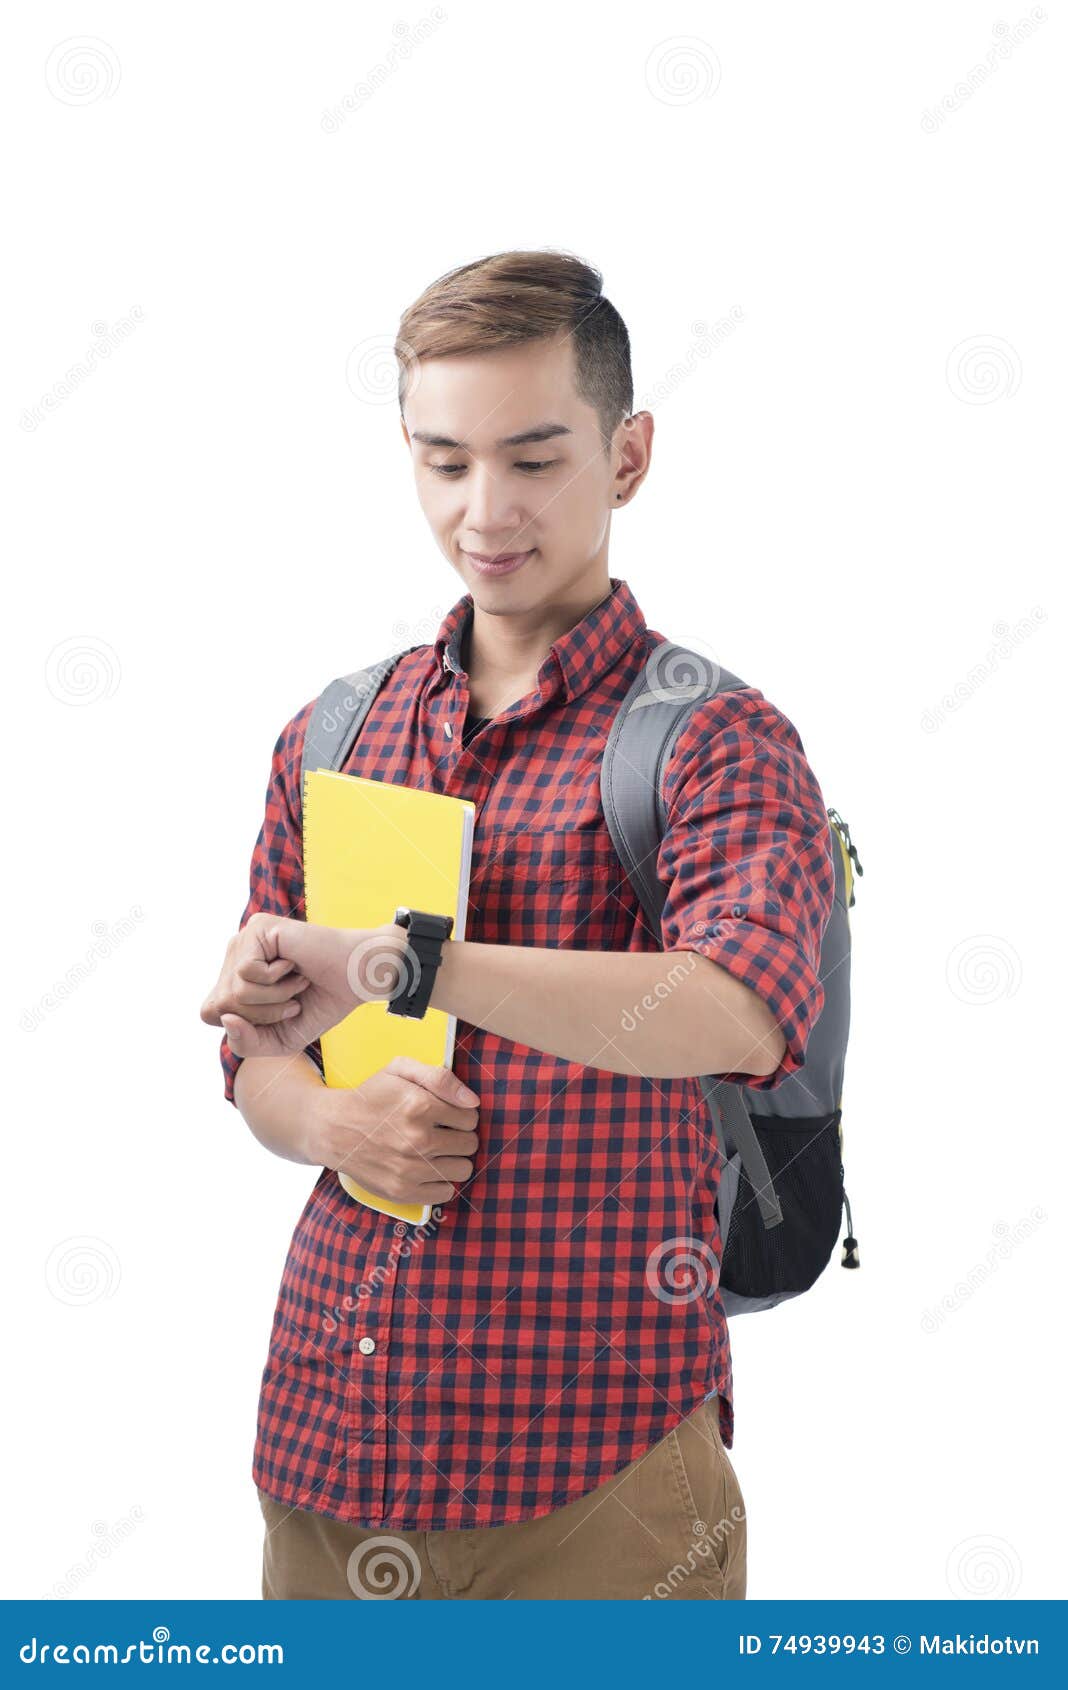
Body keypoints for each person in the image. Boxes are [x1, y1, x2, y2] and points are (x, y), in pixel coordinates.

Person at [200, 249, 836, 1601]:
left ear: (629, 455)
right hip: (328, 1440)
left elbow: (739, 1008)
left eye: (535, 459)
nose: (484, 510)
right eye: (444, 461)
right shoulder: (336, 731)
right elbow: (256, 1060)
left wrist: (409, 961)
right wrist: (326, 1120)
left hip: (595, 1478)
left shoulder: (712, 739)